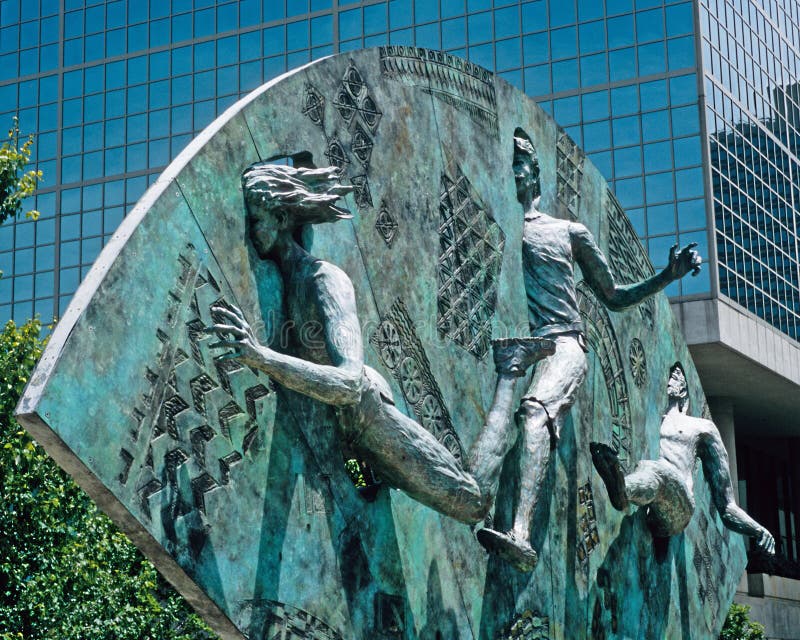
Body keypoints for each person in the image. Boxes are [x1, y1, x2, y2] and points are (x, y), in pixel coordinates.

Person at [205, 161, 554, 526]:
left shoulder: (325, 280)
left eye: (257, 220)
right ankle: (371, 477)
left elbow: (349, 383)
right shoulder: (288, 282)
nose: (251, 229)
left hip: (372, 420)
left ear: (279, 216)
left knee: (474, 502)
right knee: (366, 498)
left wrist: (262, 358)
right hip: (348, 440)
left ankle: (510, 368)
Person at [474, 129, 703, 571]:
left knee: (534, 412)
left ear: (534, 174)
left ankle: (521, 536)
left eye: (519, 165)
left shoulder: (566, 232)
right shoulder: (498, 222)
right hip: (523, 345)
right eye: (508, 166)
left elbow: (614, 295)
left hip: (563, 343)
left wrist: (666, 277)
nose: (513, 174)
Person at [591, 363, 775, 554]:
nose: (672, 378)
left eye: (677, 375)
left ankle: (622, 490)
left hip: (679, 506)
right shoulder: (652, 416)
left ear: (684, 390)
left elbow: (727, 506)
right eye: (670, 374)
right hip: (651, 505)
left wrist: (757, 529)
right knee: (650, 469)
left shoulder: (702, 427)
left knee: (657, 470)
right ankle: (623, 487)